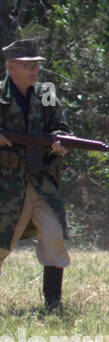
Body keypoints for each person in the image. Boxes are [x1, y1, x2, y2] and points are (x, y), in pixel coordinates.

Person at [0, 38, 72, 314]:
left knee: (54, 236)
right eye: (28, 65)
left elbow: (61, 127)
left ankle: (52, 303)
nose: (35, 71)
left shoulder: (46, 93)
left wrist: (60, 142)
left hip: (41, 181)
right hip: (6, 186)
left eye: (37, 65)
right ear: (11, 66)